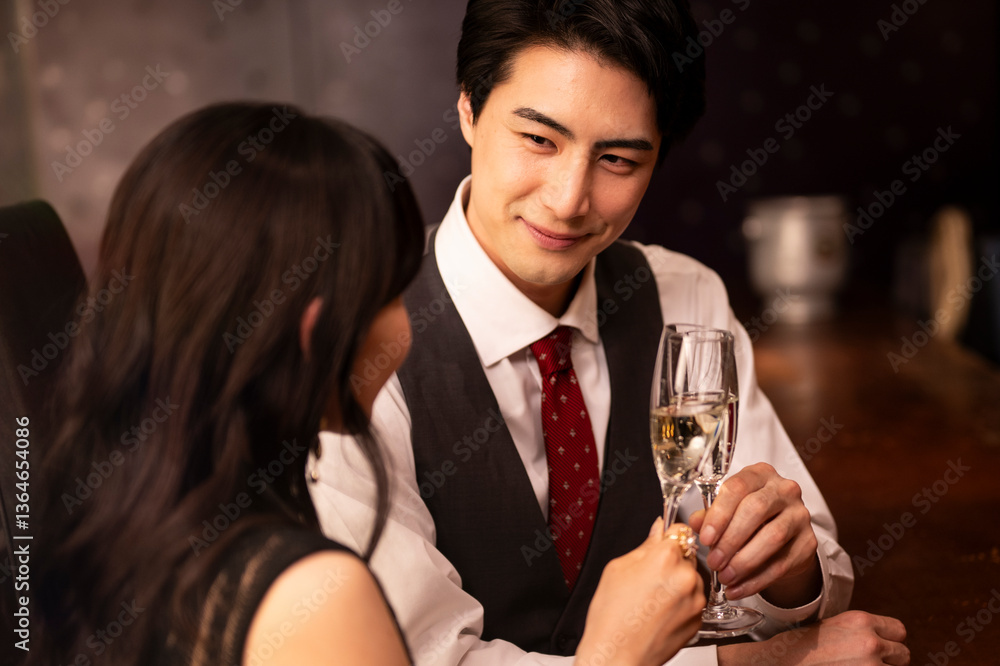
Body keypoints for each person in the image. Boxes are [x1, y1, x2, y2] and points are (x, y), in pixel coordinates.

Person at [309, 2, 911, 665]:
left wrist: (788, 568)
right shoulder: (363, 332)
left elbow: (812, 581)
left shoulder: (685, 298)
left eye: (618, 159)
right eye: (539, 140)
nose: (569, 199)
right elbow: (424, 656)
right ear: (469, 111)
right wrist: (744, 663)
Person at [30, 101, 706, 666]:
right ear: (314, 331)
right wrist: (615, 655)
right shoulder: (309, 595)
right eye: (392, 294)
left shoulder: (94, 518)